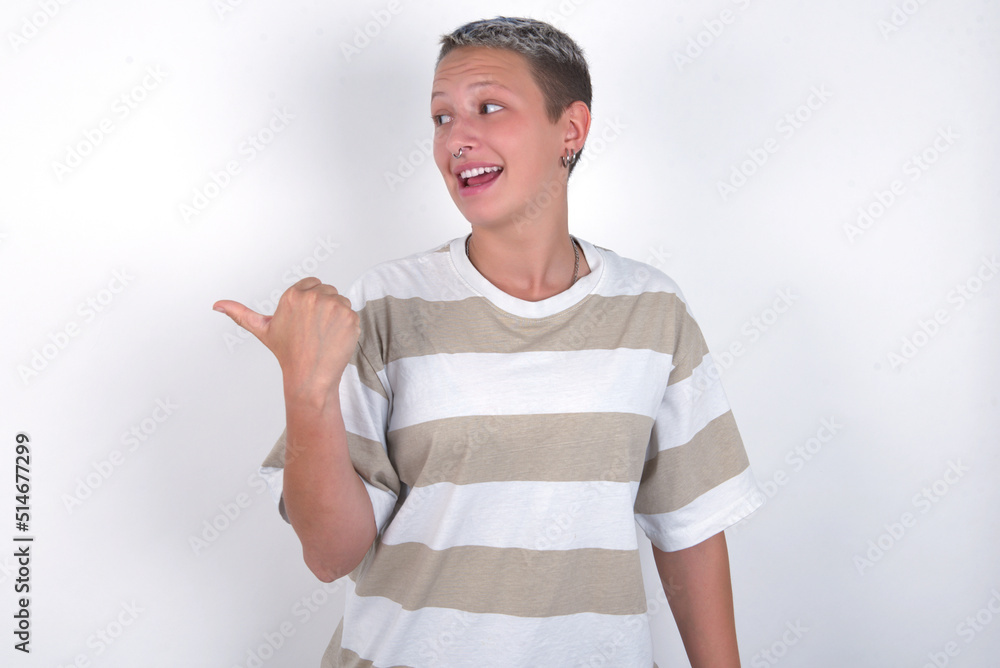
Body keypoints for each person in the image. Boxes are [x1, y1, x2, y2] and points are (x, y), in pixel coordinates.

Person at [213, 16, 763, 668]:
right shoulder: (382, 306)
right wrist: (306, 391)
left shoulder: (653, 311)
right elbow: (331, 554)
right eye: (441, 117)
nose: (456, 138)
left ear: (571, 129)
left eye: (489, 107)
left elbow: (690, 529)